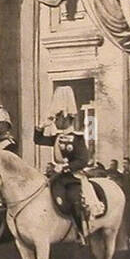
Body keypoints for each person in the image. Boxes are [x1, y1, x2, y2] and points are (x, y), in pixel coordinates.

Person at [32, 87, 90, 245]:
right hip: (57, 177)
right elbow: (38, 140)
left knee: (74, 199)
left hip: (72, 177)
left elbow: (83, 160)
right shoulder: (56, 137)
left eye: (58, 118)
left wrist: (65, 167)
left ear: (66, 118)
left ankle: (81, 231)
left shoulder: (77, 138)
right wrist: (41, 126)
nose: (55, 121)